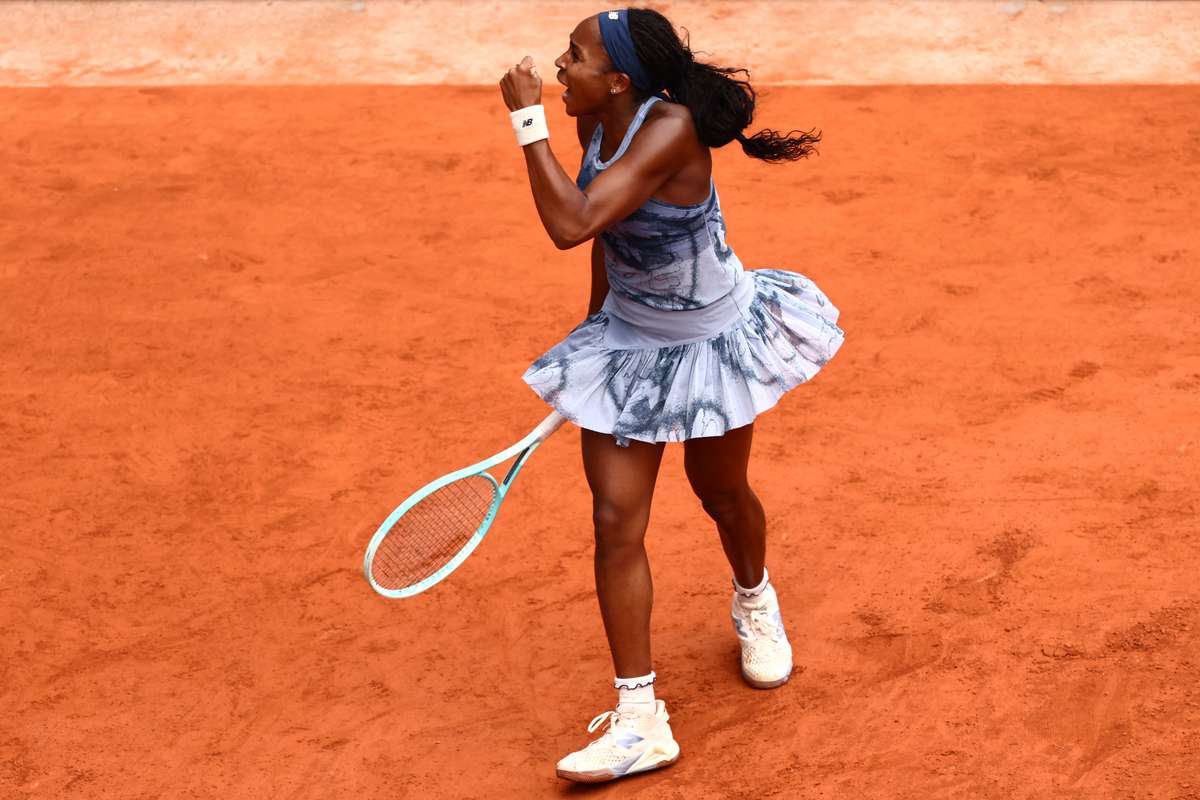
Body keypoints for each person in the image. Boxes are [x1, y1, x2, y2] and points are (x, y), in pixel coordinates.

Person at [499, 7, 845, 783]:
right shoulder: (597, 122)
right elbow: (609, 240)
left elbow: (573, 223)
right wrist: (592, 339)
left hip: (708, 345)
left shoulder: (669, 131)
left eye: (576, 57)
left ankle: (754, 598)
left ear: (619, 80)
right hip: (630, 340)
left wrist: (525, 120)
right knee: (614, 519)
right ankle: (638, 718)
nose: (560, 67)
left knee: (719, 492)